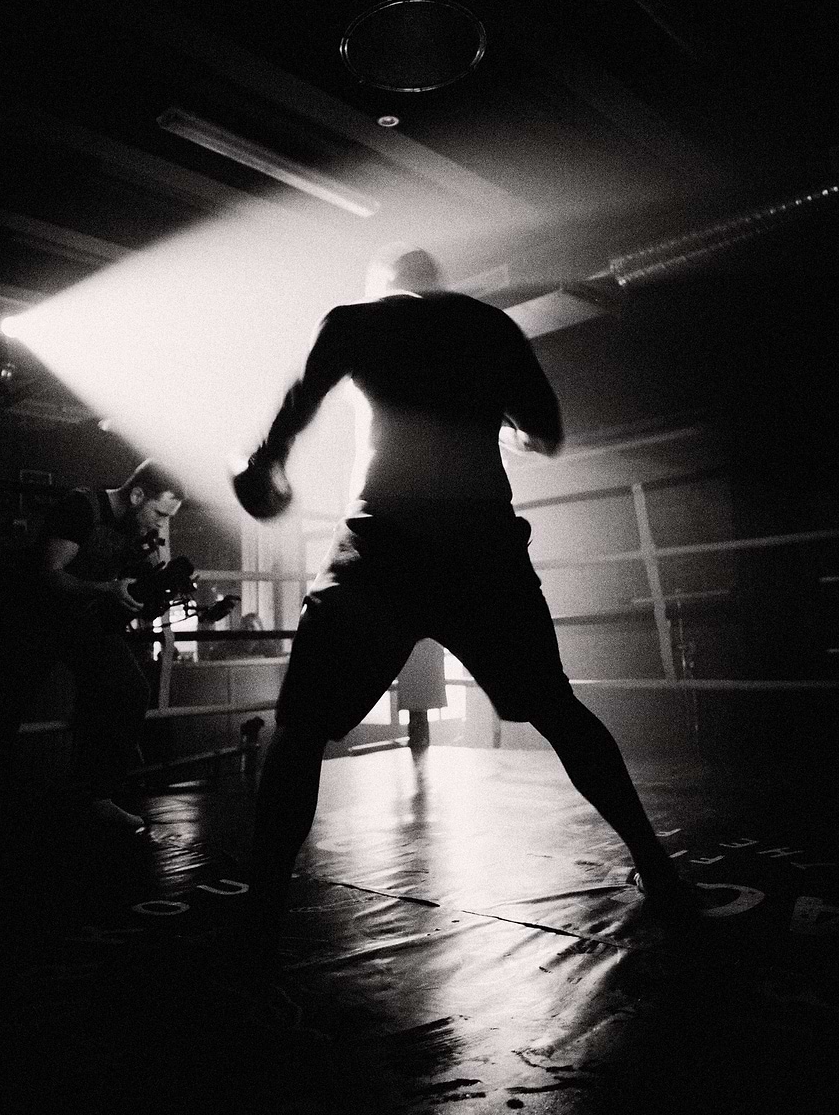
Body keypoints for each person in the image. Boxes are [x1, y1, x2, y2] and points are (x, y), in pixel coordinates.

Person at [232, 245, 690, 972]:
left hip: (382, 543)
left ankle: (260, 915)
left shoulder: (355, 320)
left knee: (300, 727)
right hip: (479, 540)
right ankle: (657, 867)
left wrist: (262, 464)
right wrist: (490, 417)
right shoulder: (490, 327)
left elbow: (297, 405)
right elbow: (546, 432)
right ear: (437, 282)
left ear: (385, 285)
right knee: (555, 707)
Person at [0, 459, 183, 829]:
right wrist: (108, 588)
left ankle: (97, 796)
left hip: (81, 620)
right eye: (158, 512)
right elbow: (49, 572)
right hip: (33, 617)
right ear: (137, 495)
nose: (160, 523)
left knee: (127, 689)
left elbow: (123, 584)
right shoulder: (81, 507)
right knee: (5, 700)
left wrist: (153, 585)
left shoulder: (133, 529)